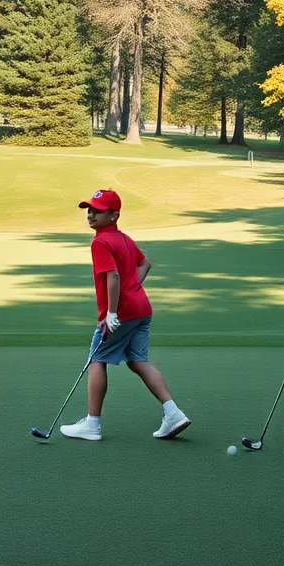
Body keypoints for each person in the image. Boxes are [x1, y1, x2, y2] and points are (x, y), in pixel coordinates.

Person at [60, 189, 191, 441]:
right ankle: (173, 413)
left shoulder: (100, 242)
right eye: (89, 209)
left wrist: (111, 312)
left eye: (98, 211)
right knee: (137, 361)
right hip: (141, 309)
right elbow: (145, 263)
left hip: (121, 313)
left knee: (97, 360)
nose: (91, 214)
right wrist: (132, 290)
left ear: (114, 215)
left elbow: (113, 276)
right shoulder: (125, 239)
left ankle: (92, 425)